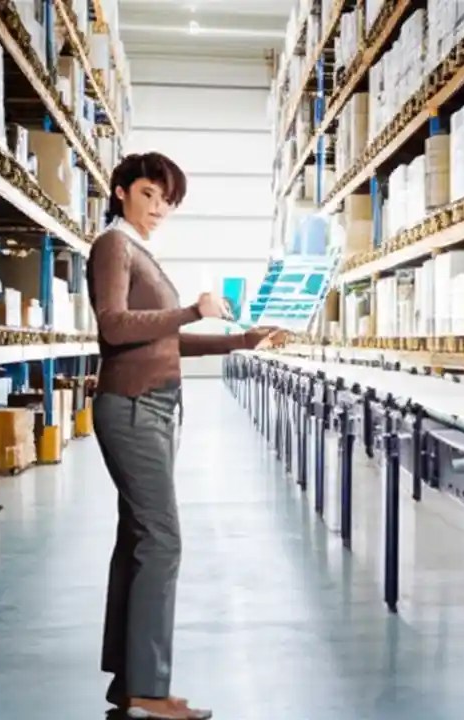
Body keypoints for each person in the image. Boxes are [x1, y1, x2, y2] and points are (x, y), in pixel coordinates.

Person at [87, 152, 286, 720]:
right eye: (149, 194)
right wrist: (189, 310)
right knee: (162, 540)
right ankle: (149, 693)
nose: (159, 209)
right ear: (123, 191)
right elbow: (114, 326)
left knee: (139, 541)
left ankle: (132, 686)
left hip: (153, 407)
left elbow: (164, 344)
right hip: (130, 407)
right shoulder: (114, 246)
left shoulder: (140, 251)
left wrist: (244, 339)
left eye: (167, 201)